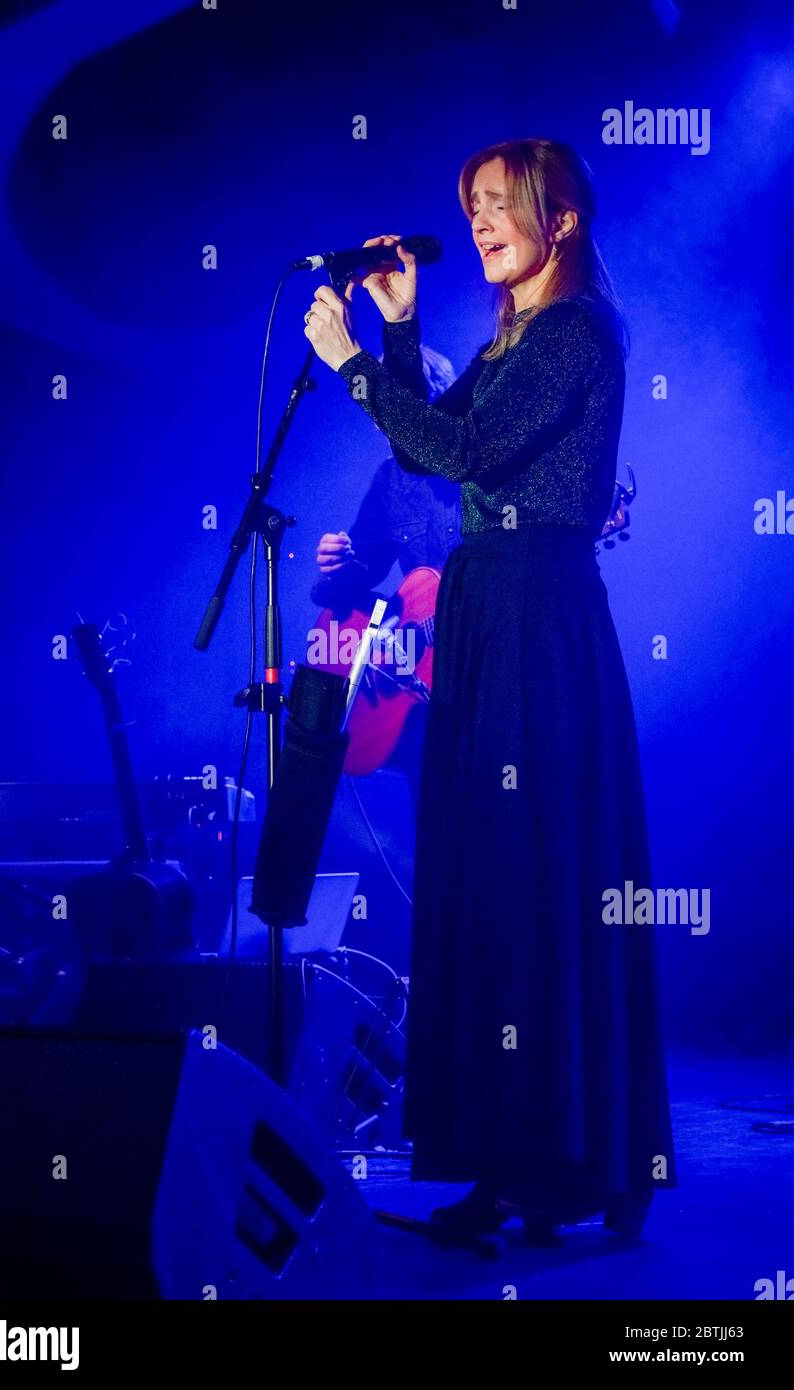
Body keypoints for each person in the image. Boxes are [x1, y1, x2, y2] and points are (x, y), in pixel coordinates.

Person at [302, 137, 676, 1240]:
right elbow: (430, 451)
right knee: (483, 886)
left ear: (559, 220)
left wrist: (352, 361)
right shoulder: (513, 340)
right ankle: (503, 1154)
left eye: (496, 204)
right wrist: (402, 326)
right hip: (485, 616)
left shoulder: (573, 333)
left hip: (535, 619)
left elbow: (459, 453)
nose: (475, 224)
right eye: (467, 206)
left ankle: (561, 1159)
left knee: (533, 881)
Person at [311, 346, 460, 802]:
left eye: (387, 409)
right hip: (422, 698)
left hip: (492, 674)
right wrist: (339, 566)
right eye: (375, 414)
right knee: (436, 828)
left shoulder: (486, 468)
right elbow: (358, 577)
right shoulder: (390, 481)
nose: (380, 425)